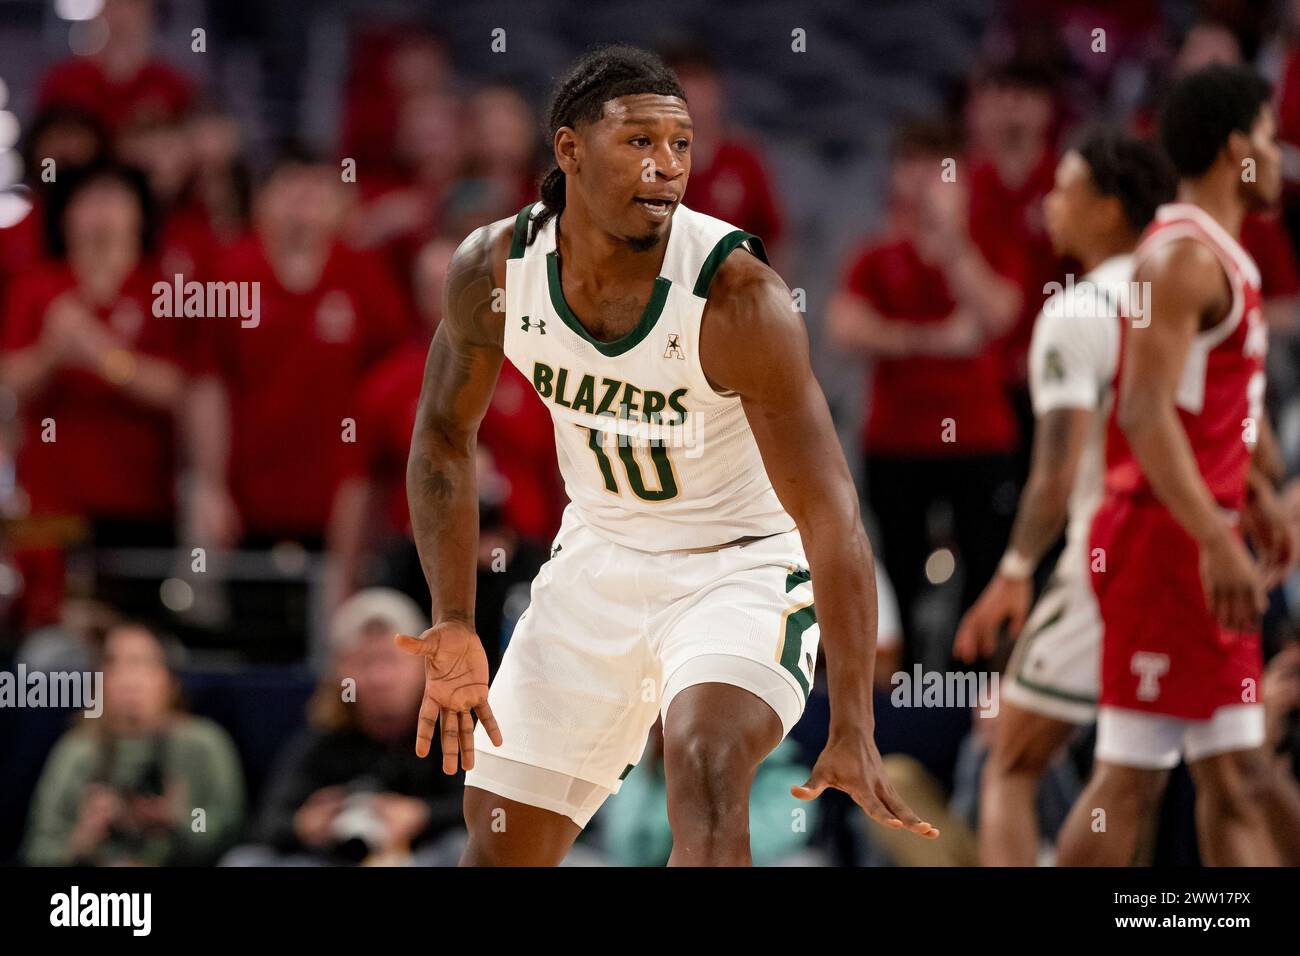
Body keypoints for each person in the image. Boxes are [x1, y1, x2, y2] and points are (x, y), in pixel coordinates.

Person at [398, 44, 937, 866]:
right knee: (500, 831)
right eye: (640, 143)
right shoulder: (494, 271)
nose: (667, 167)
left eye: (681, 145)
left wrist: (855, 723)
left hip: (740, 566)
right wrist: (456, 620)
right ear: (569, 150)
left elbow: (830, 510)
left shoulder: (739, 297)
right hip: (600, 557)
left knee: (707, 762)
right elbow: (441, 438)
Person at [1056, 64, 1296, 866]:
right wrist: (1217, 536)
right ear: (1237, 150)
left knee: (1237, 778)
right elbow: (1143, 413)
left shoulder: (1217, 255)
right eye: (1268, 136)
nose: (1278, 151)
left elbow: (1199, 412)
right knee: (1136, 780)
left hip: (1195, 534)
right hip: (1165, 546)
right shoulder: (1183, 260)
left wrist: (1249, 494)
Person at [952, 128, 1177, 866]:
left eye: (1066, 190)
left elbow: (1055, 473)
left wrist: (1015, 569)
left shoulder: (1079, 310)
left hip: (1113, 549)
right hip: (1197, 551)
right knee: (1143, 773)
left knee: (1007, 757)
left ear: (1109, 209)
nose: (1049, 204)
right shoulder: (1193, 298)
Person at [828, 118, 1023, 667]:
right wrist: (933, 339)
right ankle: (909, 694)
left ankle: (977, 686)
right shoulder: (876, 253)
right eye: (911, 165)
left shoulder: (985, 246)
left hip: (980, 438)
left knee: (985, 570)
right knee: (901, 571)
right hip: (898, 440)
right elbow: (844, 326)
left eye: (937, 167)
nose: (923, 181)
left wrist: (955, 245)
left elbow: (999, 313)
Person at [226, 589, 465, 866]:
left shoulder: (451, 731)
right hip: (334, 860)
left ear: (423, 666)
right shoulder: (322, 740)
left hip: (422, 856)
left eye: (391, 660)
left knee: (460, 846)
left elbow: (486, 809)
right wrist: (305, 824)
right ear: (341, 672)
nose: (380, 679)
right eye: (366, 662)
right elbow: (264, 823)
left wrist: (421, 815)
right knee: (245, 860)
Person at [23, 621, 245, 866]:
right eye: (115, 665)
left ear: (170, 680)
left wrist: (179, 817)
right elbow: (38, 849)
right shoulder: (77, 751)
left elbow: (225, 828)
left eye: (142, 664)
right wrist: (83, 837)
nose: (129, 680)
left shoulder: (201, 744)